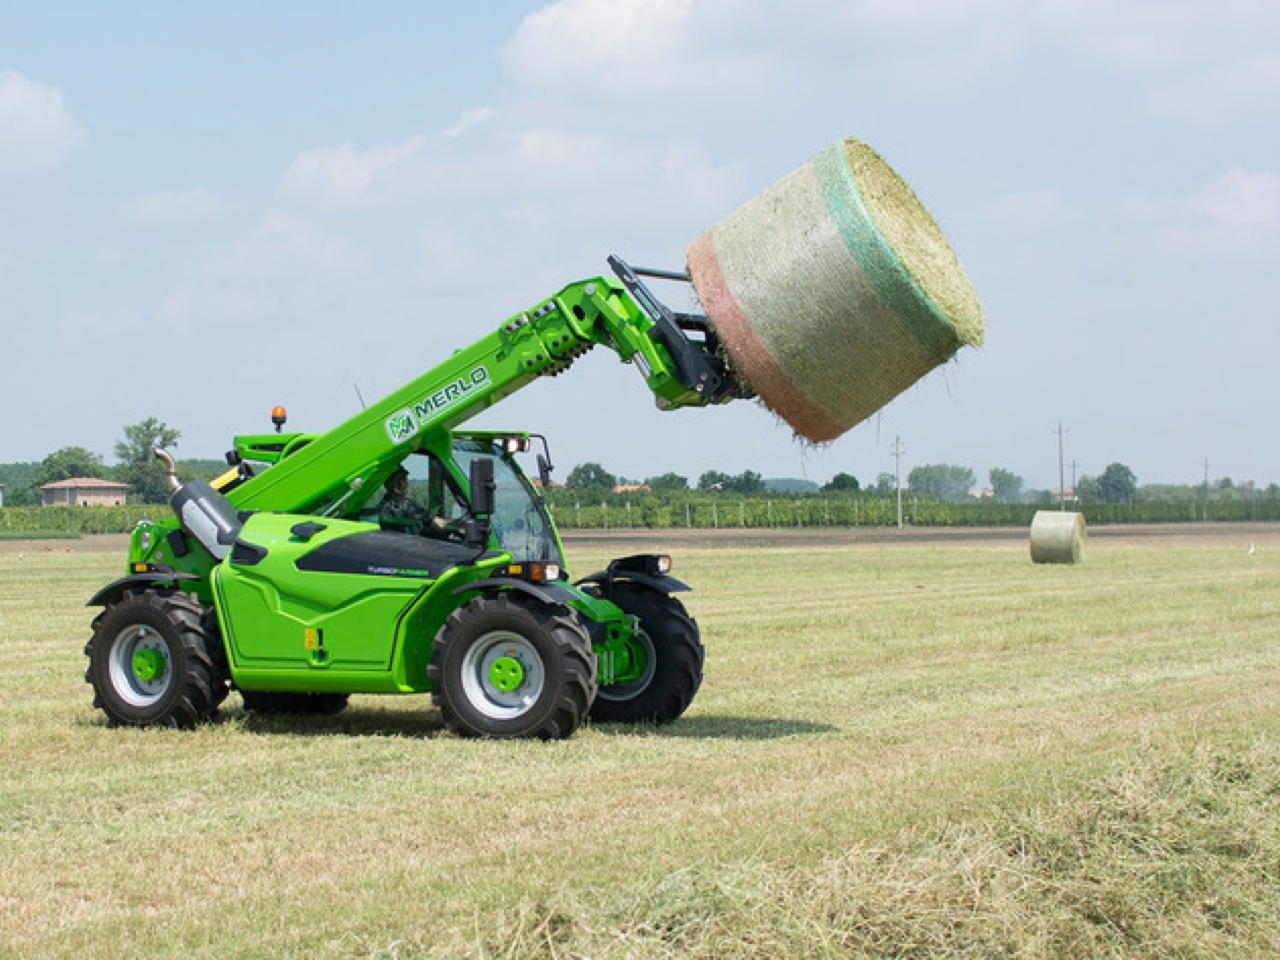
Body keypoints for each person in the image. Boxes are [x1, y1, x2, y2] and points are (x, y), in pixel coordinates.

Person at [379, 466, 457, 539]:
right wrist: (458, 524)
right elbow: (440, 525)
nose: (406, 482)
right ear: (395, 484)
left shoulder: (382, 508)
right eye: (403, 479)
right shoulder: (407, 506)